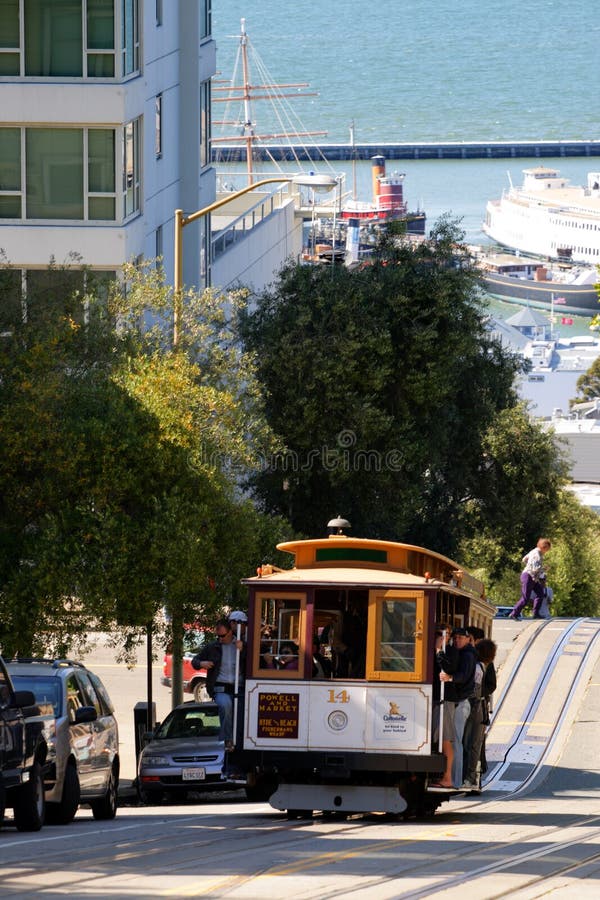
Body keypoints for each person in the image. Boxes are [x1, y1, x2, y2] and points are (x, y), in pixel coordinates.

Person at [191, 618, 245, 750]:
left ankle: (241, 744)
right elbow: (195, 661)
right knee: (225, 705)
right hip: (221, 687)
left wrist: (243, 650)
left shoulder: (241, 645)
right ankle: (228, 740)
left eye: (223, 635)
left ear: (230, 632)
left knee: (241, 712)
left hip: (239, 686)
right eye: (218, 636)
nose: (220, 639)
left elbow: (252, 662)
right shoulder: (212, 647)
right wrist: (202, 663)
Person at [438, 627, 477, 789]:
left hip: (462, 703)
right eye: (456, 638)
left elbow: (464, 676)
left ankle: (455, 780)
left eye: (461, 638)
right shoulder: (463, 652)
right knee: (455, 741)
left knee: (455, 741)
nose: (458, 640)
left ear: (468, 639)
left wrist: (450, 678)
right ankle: (455, 779)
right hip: (460, 702)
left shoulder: (468, 655)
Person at [430, 625, 456, 789]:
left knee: (445, 739)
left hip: (445, 699)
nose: (440, 637)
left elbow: (449, 668)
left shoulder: (451, 651)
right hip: (433, 698)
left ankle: (448, 778)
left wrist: (439, 650)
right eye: (438, 634)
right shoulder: (431, 650)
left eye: (444, 634)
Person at [509, 538, 551, 620]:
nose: (547, 551)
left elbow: (524, 559)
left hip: (532, 577)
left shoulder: (533, 551)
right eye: (547, 549)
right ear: (544, 547)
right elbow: (536, 569)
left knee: (540, 593)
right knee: (526, 597)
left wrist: (529, 565)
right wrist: (544, 569)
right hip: (528, 576)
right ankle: (514, 614)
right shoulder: (537, 555)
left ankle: (536, 614)